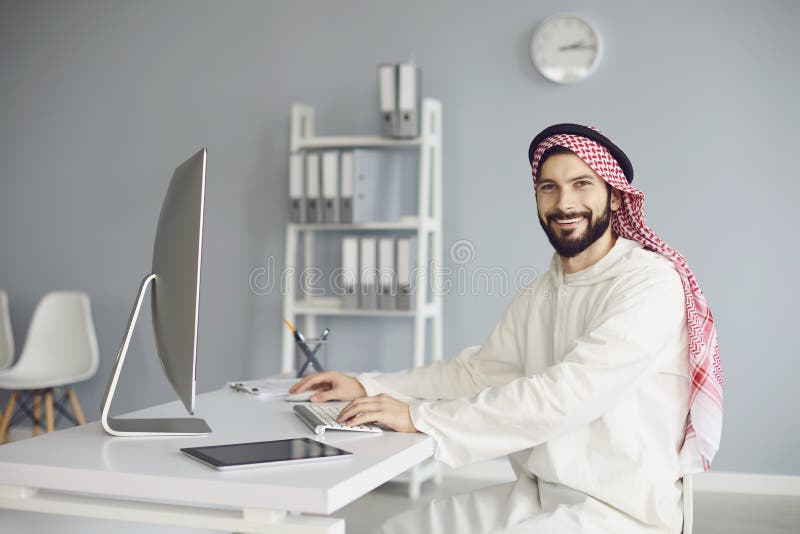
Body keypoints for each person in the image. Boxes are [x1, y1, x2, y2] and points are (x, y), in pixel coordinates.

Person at [290, 124, 723, 534]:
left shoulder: (649, 284)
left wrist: (420, 418)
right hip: (540, 494)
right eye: (549, 187)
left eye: (582, 184)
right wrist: (366, 386)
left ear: (614, 197)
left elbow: (564, 395)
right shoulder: (542, 292)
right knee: (397, 530)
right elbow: (476, 373)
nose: (564, 203)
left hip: (622, 512)